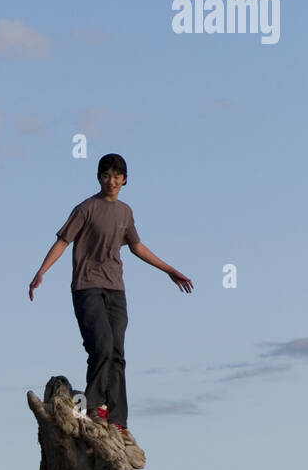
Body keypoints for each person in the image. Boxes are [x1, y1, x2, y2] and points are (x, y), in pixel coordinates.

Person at [29, 153, 192, 450]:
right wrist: (41, 272)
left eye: (118, 176)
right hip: (87, 287)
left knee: (116, 353)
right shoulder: (86, 208)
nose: (112, 181)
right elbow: (63, 242)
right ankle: (92, 407)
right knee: (101, 345)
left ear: (125, 180)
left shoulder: (126, 212)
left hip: (116, 289)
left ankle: (118, 421)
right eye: (106, 175)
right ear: (98, 177)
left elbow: (137, 247)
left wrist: (169, 270)